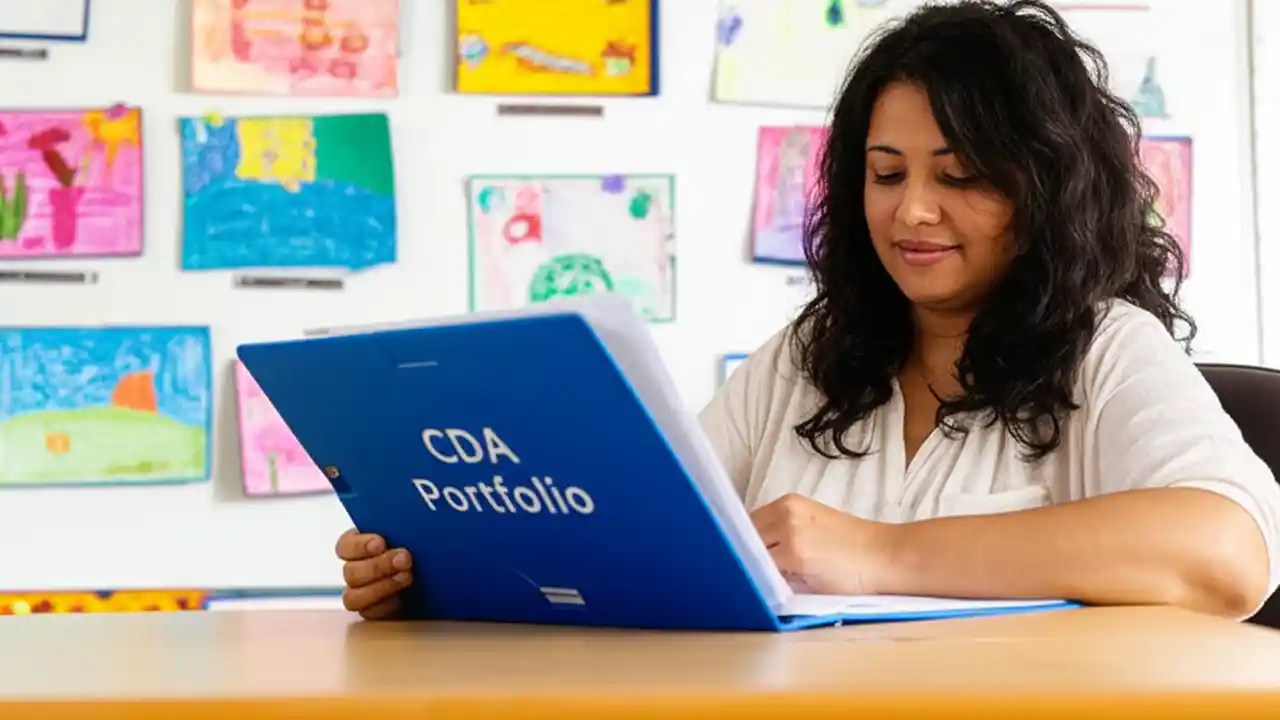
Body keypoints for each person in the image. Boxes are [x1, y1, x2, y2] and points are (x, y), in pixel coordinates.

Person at [336, 0, 1280, 621]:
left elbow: (1228, 556)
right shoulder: (811, 354)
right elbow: (652, 541)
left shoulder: (1108, 350)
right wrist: (440, 582)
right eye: (885, 174)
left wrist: (880, 555)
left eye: (961, 178)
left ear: (1046, 192)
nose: (912, 210)